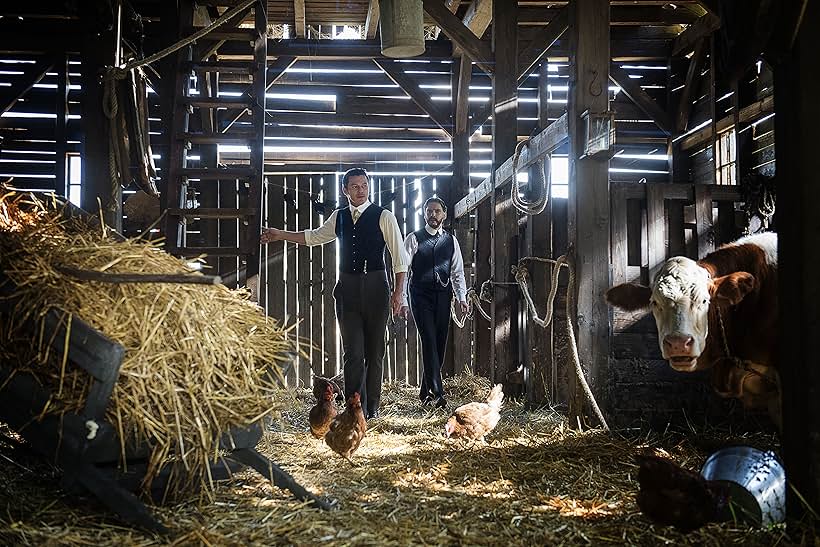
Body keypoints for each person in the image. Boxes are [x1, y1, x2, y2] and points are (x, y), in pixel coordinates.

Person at [260, 168, 408, 420]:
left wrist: (398, 294)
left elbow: (400, 259)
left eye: (364, 185)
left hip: (376, 288)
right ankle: (353, 408)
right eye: (355, 186)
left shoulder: (384, 216)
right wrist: (280, 234)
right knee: (353, 353)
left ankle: (371, 410)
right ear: (345, 190)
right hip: (347, 290)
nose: (360, 190)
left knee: (374, 353)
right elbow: (314, 237)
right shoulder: (338, 217)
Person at [400, 197, 468, 409]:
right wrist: (402, 300)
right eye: (429, 211)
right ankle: (437, 395)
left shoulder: (451, 241)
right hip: (420, 295)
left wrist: (462, 297)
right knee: (428, 340)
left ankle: (424, 393)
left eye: (437, 211)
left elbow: (457, 272)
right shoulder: (414, 238)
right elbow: (403, 270)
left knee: (439, 343)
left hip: (443, 295)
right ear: (424, 214)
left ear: (444, 215)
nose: (433, 215)